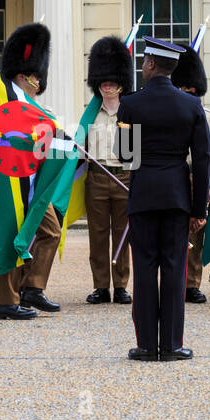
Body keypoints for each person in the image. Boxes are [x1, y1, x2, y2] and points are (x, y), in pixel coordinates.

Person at [116, 37, 210, 360]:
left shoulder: (131, 104)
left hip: (143, 195)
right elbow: (201, 160)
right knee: (174, 269)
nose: (142, 65)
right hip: (177, 197)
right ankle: (171, 345)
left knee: (144, 269)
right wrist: (200, 210)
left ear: (153, 64)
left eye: (144, 61)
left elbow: (125, 156)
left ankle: (146, 345)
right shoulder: (192, 106)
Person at [0, 22, 62, 320]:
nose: (38, 81)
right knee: (12, 238)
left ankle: (32, 287)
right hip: (11, 181)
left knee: (50, 231)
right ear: (23, 76)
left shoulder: (33, 108)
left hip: (32, 183)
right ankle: (5, 302)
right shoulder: (6, 104)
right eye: (35, 76)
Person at [83, 35, 133, 306]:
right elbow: (80, 148)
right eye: (103, 82)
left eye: (112, 82)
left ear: (120, 83)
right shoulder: (90, 114)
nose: (107, 85)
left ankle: (121, 285)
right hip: (97, 178)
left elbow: (131, 155)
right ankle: (101, 286)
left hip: (123, 176)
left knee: (122, 235)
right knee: (98, 234)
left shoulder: (129, 112)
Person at [172, 45, 210, 304]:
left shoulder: (208, 115)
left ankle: (192, 283)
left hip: (196, 176)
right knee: (175, 230)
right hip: (176, 175)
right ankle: (175, 280)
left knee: (196, 232)